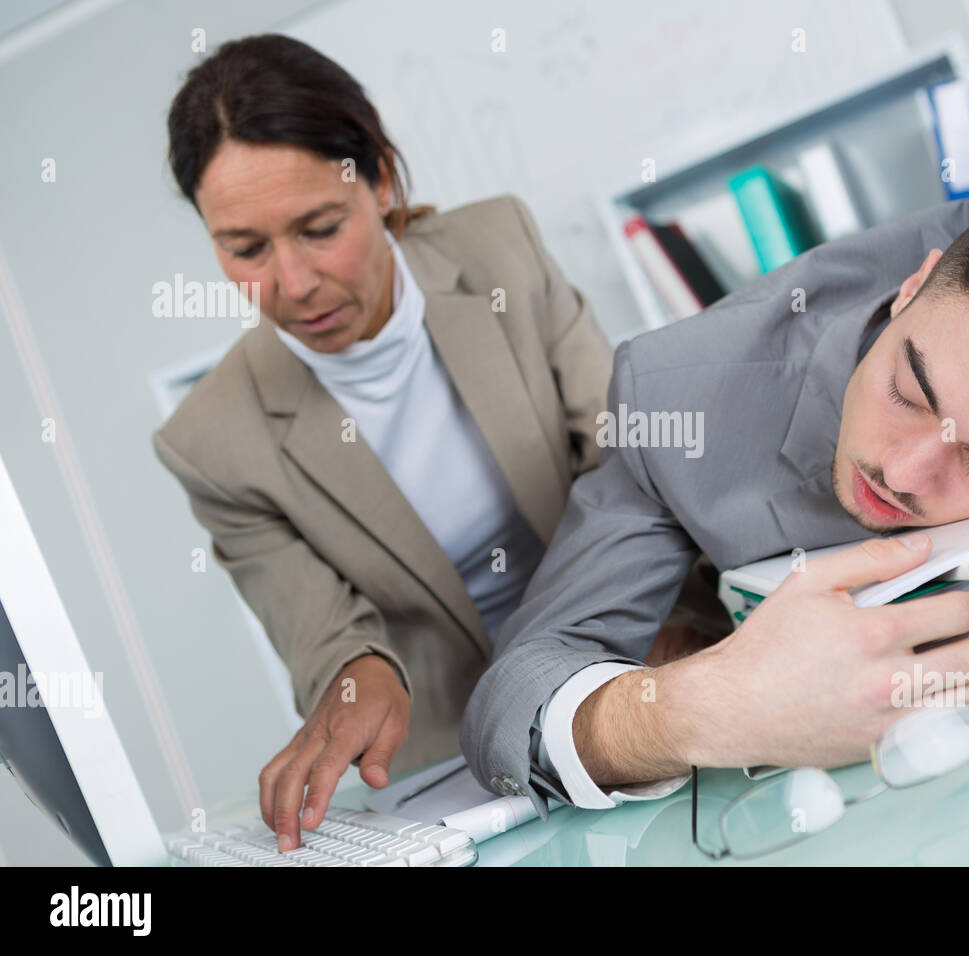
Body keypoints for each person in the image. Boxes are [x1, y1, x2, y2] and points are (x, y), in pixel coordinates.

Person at [460, 163, 969, 815]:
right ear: (912, 287)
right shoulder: (684, 402)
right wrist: (694, 711)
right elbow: (513, 696)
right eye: (909, 390)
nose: (899, 473)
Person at [152, 34, 634, 852]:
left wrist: (649, 628)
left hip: (626, 652)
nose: (294, 284)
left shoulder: (499, 250)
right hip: (461, 764)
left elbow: (619, 460)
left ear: (377, 178)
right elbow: (326, 635)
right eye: (246, 249)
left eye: (318, 227)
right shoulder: (211, 444)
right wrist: (354, 679)